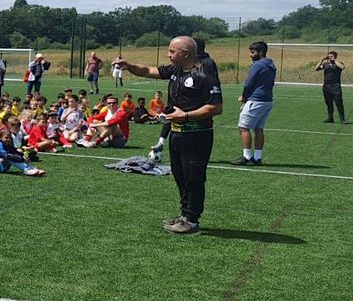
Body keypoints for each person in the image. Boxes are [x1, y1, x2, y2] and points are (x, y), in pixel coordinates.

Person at [116, 36, 223, 234]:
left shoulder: (204, 75)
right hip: (176, 133)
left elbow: (216, 107)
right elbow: (148, 71)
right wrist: (128, 66)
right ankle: (184, 215)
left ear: (186, 53)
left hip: (197, 135)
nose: (169, 55)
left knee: (194, 178)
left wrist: (186, 115)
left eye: (172, 51)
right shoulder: (175, 70)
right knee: (180, 176)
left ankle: (192, 220)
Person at [232, 41, 276, 166]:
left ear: (261, 52)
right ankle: (257, 157)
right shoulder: (271, 65)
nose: (250, 55)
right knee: (259, 129)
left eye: (253, 52)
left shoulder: (258, 65)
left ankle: (246, 157)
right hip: (267, 100)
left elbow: (248, 83)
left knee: (243, 127)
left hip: (256, 100)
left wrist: (244, 96)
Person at [316, 51, 347, 124]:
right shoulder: (325, 64)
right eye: (329, 56)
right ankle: (330, 118)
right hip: (326, 87)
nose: (330, 58)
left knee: (339, 103)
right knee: (329, 103)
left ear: (335, 56)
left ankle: (342, 119)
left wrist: (334, 60)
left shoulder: (339, 64)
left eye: (331, 56)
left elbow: (342, 67)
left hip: (335, 87)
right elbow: (316, 68)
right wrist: (321, 60)